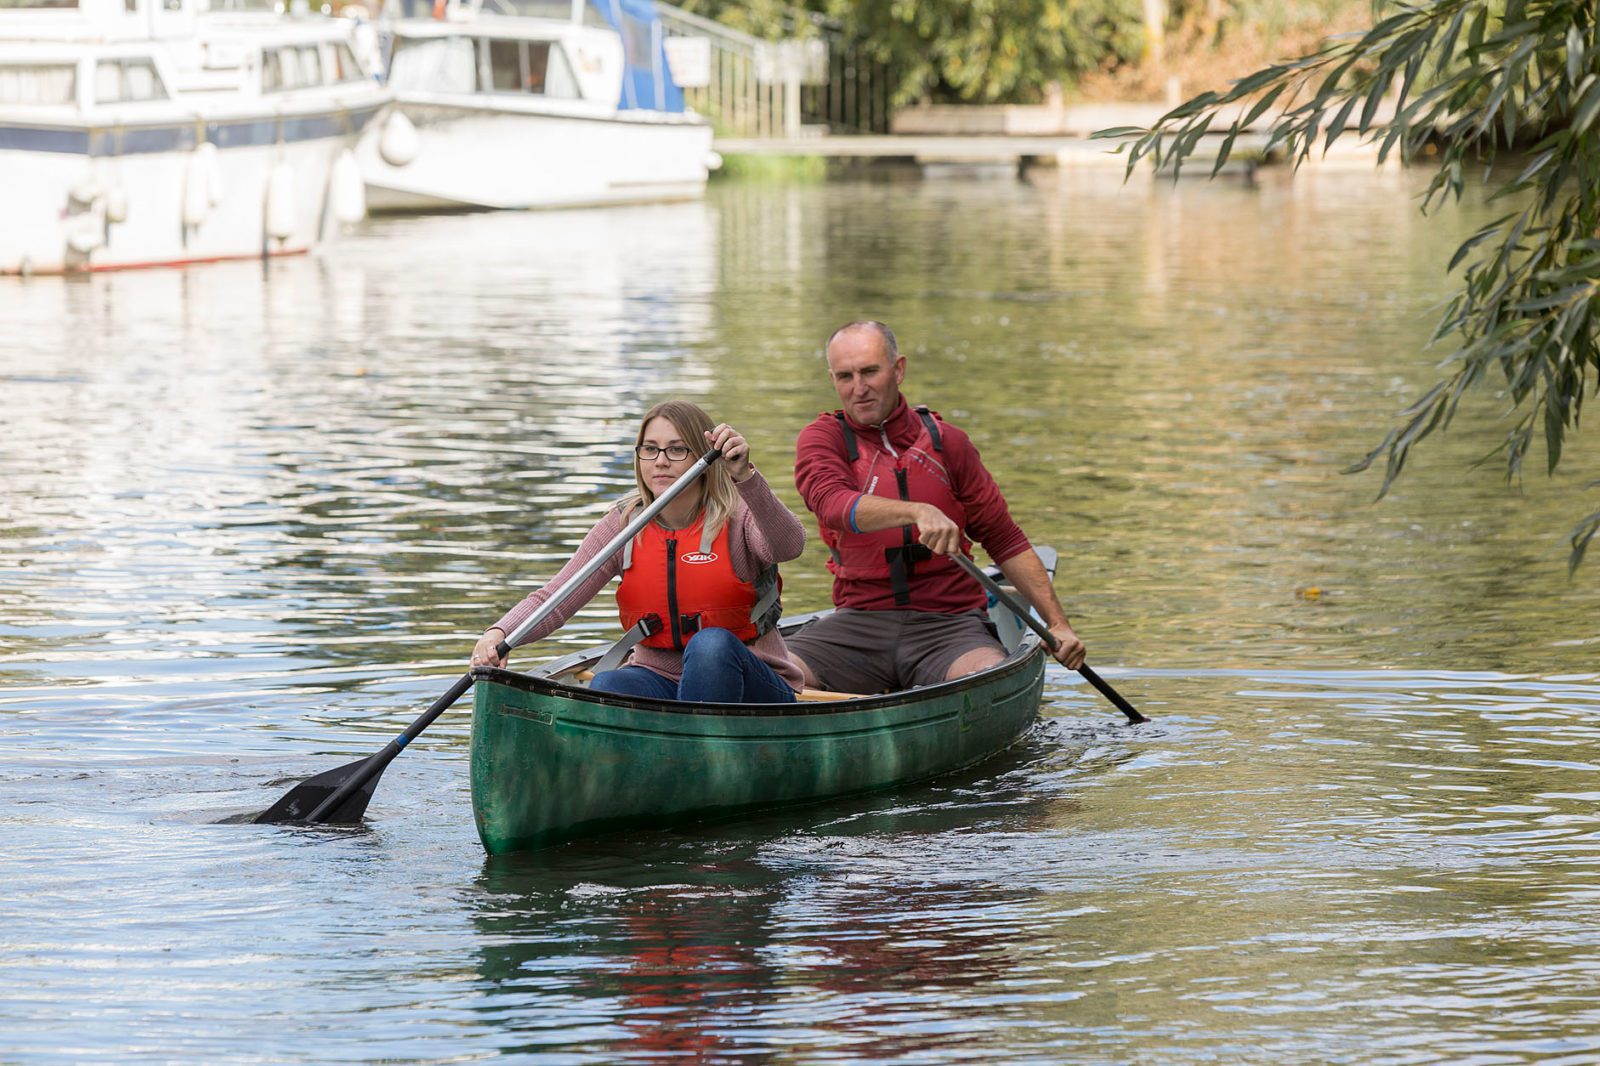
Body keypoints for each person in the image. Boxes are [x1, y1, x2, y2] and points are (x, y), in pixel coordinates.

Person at [786, 320, 1086, 694]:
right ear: (832, 378)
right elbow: (831, 505)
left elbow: (1004, 538)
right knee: (770, 675)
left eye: (869, 372)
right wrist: (916, 511)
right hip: (858, 625)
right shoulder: (822, 439)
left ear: (899, 370)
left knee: (984, 679)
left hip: (950, 626)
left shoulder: (949, 444)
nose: (858, 389)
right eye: (845, 376)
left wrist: (1058, 624)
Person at [471, 401, 806, 704]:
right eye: (650, 449)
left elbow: (788, 546)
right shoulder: (623, 525)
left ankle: (692, 755)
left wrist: (744, 476)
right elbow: (557, 597)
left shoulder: (740, 514)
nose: (660, 461)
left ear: (704, 458)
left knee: (710, 647)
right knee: (609, 683)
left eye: (677, 450)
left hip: (754, 683)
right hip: (659, 678)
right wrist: (499, 634)